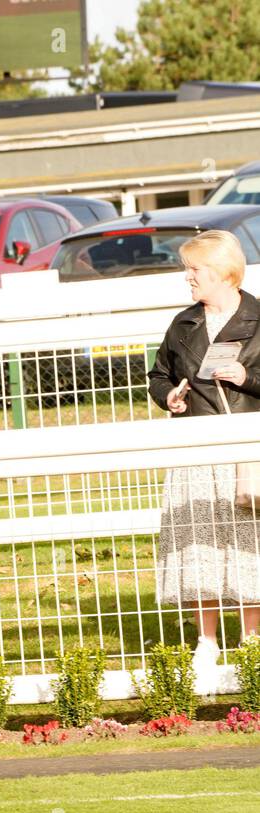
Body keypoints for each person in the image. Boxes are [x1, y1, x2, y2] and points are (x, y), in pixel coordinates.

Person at [148, 230, 260, 673]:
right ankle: (207, 639)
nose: (187, 278)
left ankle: (251, 637)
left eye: (194, 270)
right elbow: (158, 374)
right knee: (198, 543)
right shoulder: (183, 324)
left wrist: (246, 378)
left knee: (249, 541)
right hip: (196, 444)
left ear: (221, 273)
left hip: (246, 447)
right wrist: (169, 397)